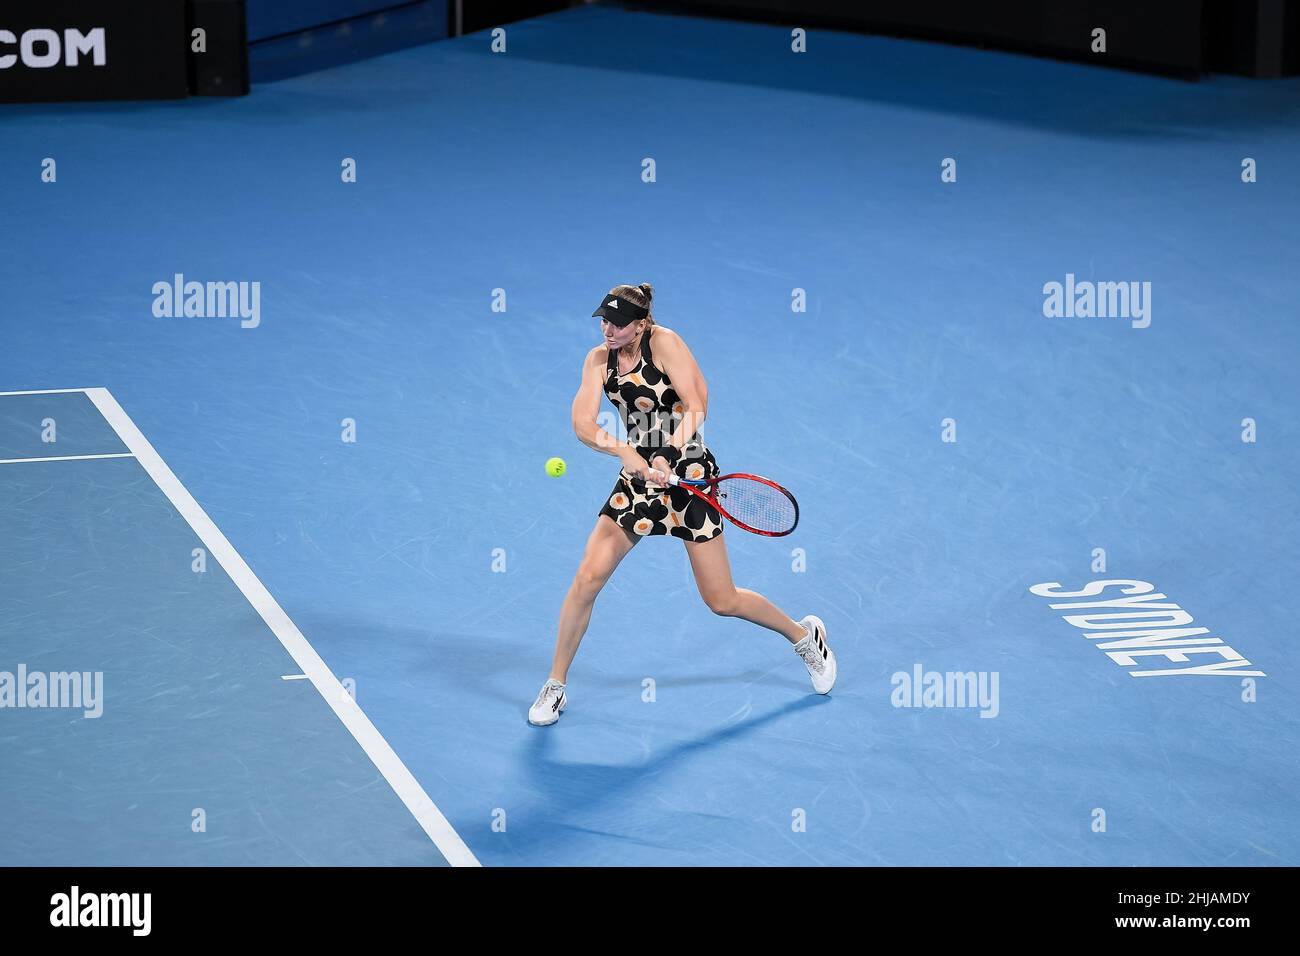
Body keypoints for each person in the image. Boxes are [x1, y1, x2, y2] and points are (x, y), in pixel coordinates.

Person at [528, 283, 836, 726]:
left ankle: (805, 637)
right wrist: (625, 451)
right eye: (603, 320)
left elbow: (697, 403)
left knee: (721, 599)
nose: (606, 329)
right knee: (588, 577)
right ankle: (555, 684)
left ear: (641, 325)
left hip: (688, 475)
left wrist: (666, 452)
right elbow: (581, 422)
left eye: (616, 323)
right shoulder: (598, 359)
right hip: (638, 482)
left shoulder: (665, 343)